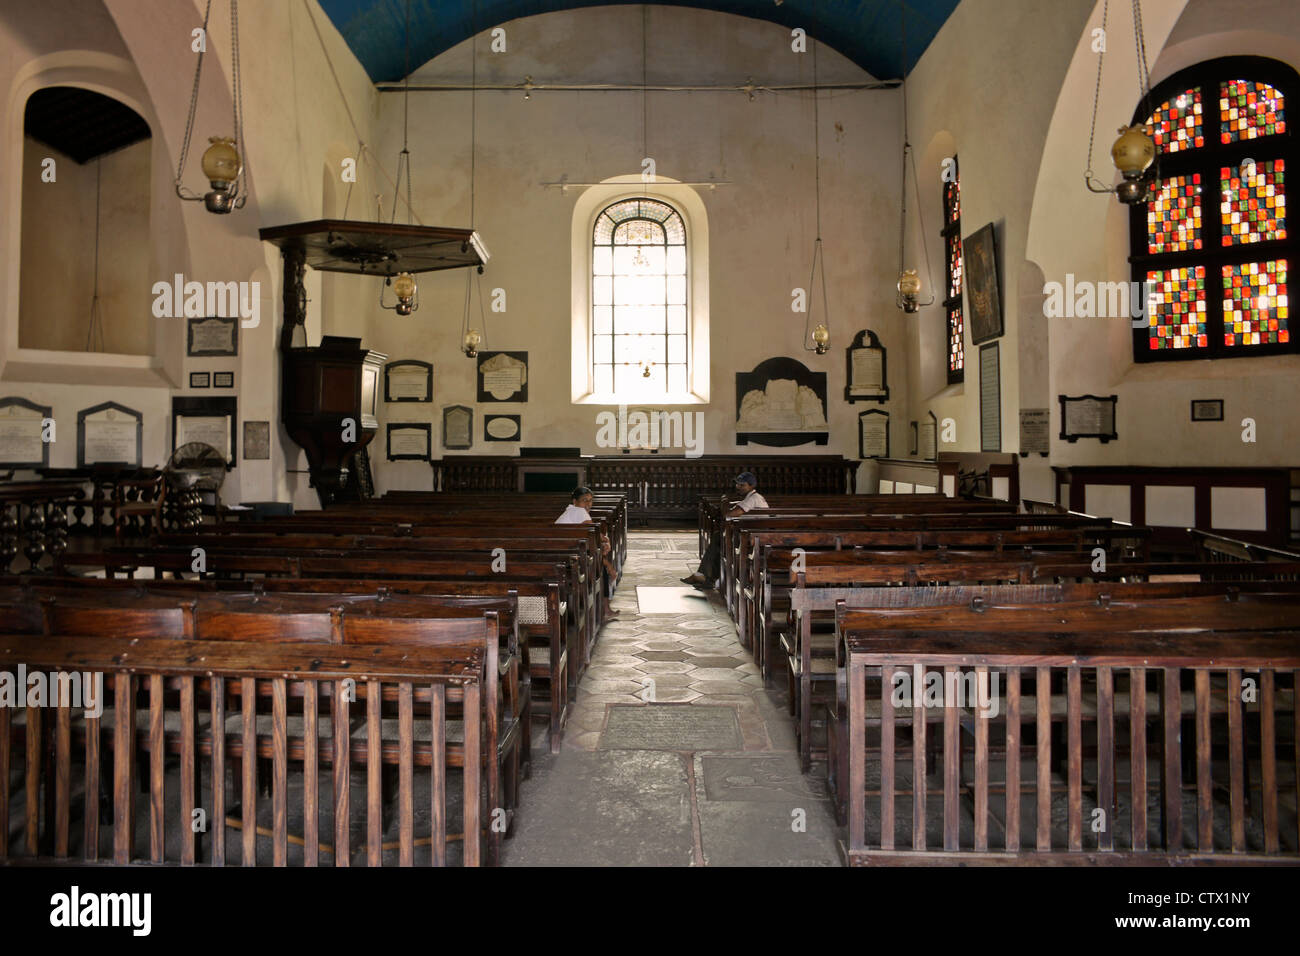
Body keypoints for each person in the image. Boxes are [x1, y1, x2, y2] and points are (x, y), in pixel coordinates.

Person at [682, 471, 768, 589]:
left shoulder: (753, 498)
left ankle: (705, 577)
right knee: (720, 539)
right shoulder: (754, 497)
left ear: (752, 486)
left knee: (720, 539)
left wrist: (726, 508)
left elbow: (731, 514)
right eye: (737, 484)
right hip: (755, 537)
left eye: (742, 485)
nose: (738, 487)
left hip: (753, 541)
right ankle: (706, 577)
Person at [557, 486, 619, 617]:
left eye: (590, 500)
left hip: (562, 557)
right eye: (584, 500)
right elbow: (594, 534)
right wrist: (606, 542)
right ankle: (605, 609)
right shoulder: (579, 512)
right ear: (575, 501)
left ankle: (604, 607)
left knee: (599, 558)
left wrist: (604, 542)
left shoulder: (571, 511)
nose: (588, 504)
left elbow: (593, 537)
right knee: (601, 567)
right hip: (568, 560)